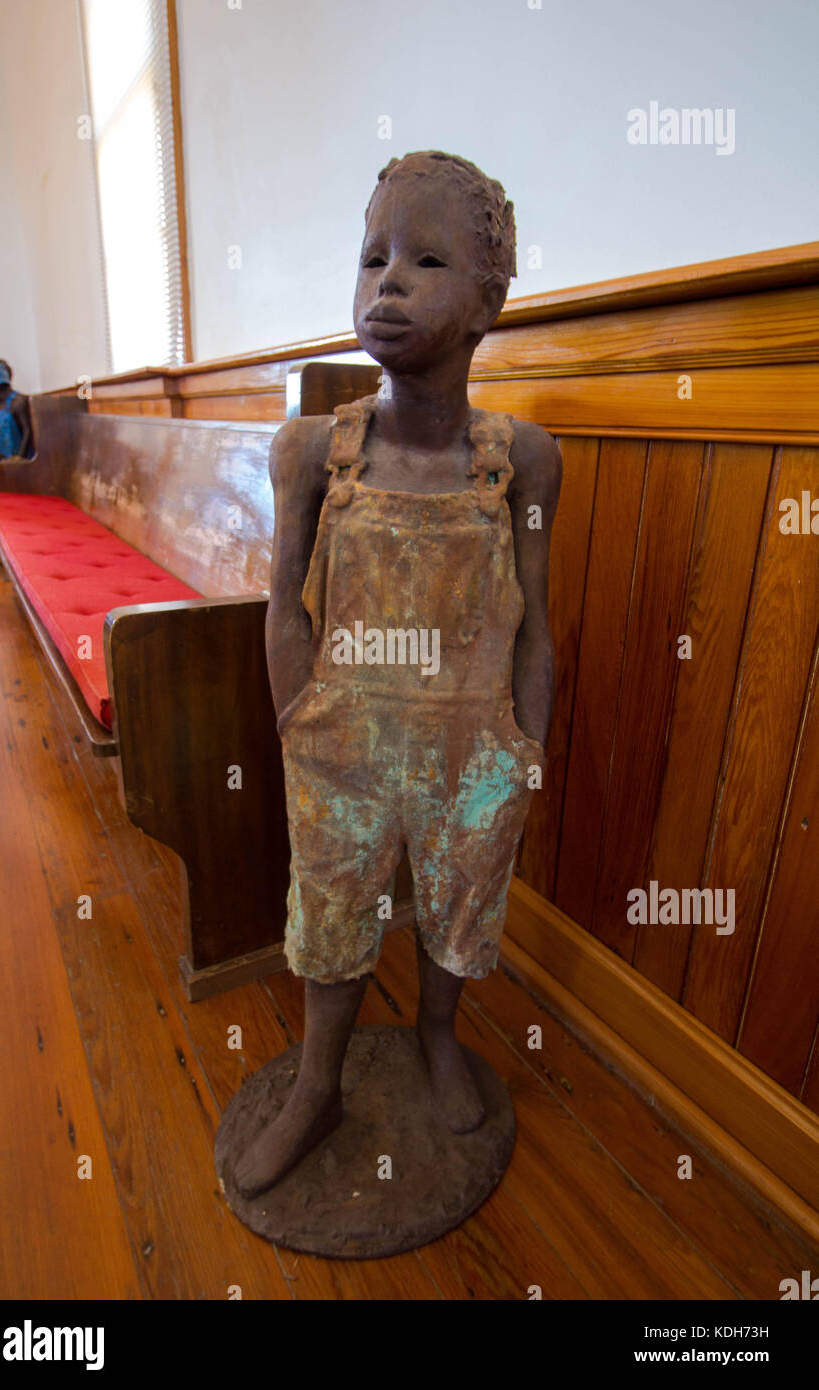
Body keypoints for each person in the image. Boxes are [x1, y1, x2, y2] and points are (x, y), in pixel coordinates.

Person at [236, 150, 562, 1199]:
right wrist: (300, 721)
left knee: (461, 902)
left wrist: (523, 751)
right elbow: (283, 601)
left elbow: (534, 623)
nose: (387, 283)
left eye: (424, 260)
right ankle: (317, 1081)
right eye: (372, 256)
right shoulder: (310, 453)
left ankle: (434, 1037)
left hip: (475, 741)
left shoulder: (521, 460)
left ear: (486, 302)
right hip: (341, 737)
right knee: (332, 908)